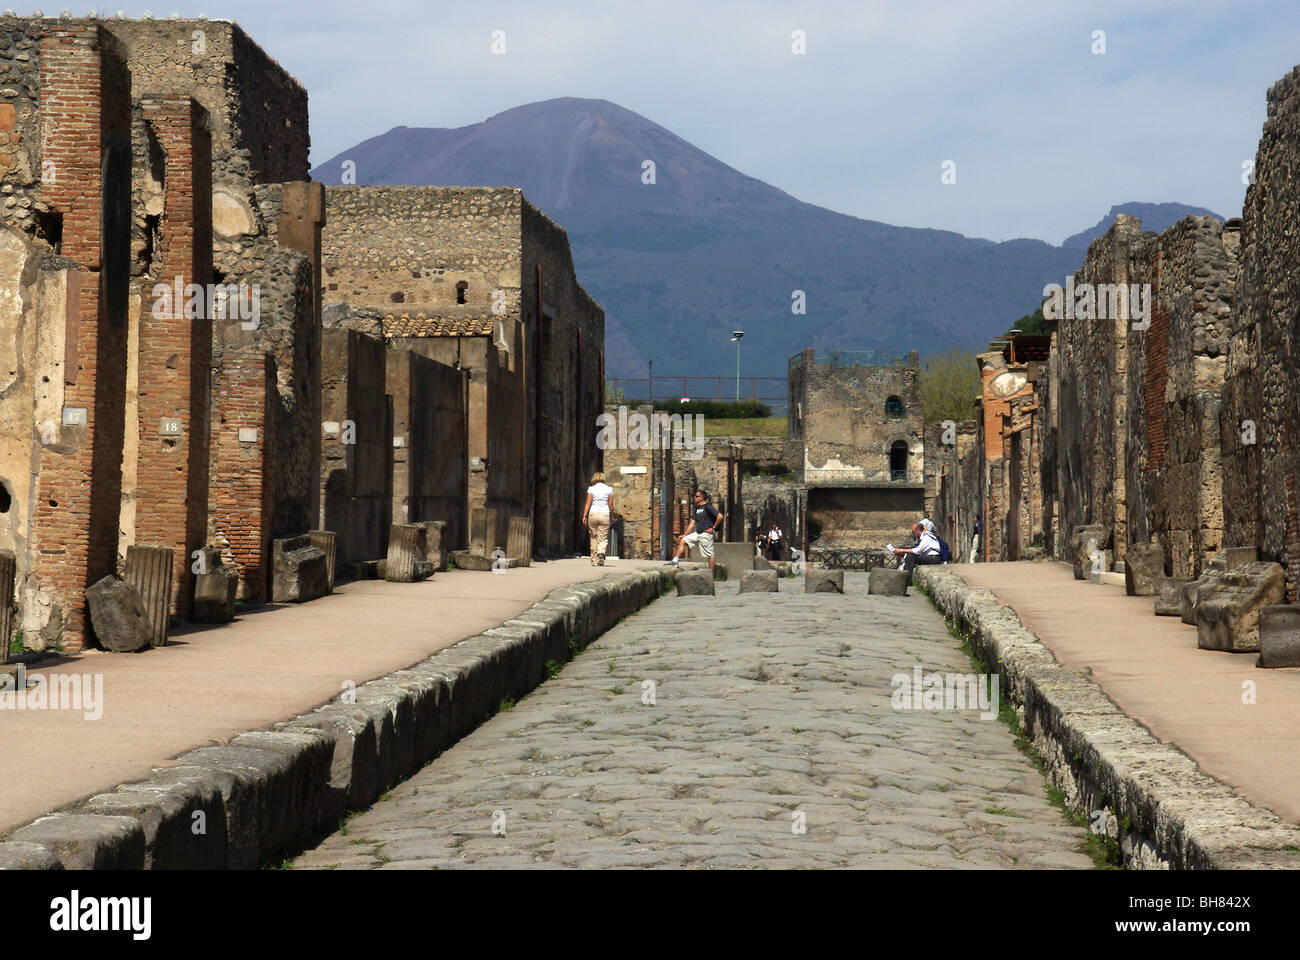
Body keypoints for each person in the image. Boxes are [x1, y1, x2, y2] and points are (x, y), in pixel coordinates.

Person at [665, 489, 723, 572]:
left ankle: (711, 575)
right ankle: (675, 561)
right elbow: (692, 523)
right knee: (683, 540)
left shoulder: (708, 506)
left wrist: (713, 528)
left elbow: (720, 516)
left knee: (710, 555)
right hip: (698, 533)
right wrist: (684, 534)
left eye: (696, 496)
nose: (694, 497)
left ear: (702, 498)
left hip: (706, 534)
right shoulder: (697, 508)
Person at [582, 472, 615, 566]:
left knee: (593, 537)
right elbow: (610, 504)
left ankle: (594, 560)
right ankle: (601, 553)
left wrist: (584, 515)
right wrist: (612, 516)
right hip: (604, 514)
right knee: (603, 537)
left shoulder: (591, 489)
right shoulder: (609, 489)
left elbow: (588, 503)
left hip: (593, 514)